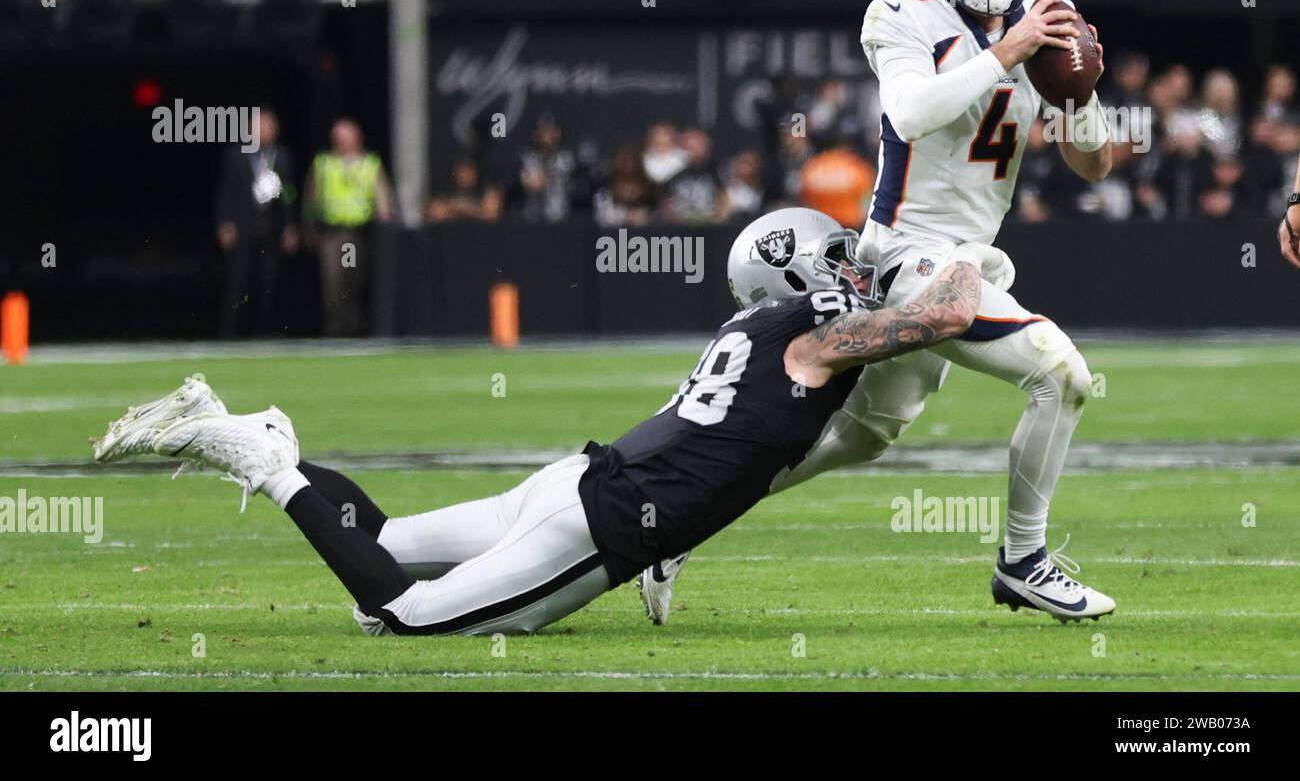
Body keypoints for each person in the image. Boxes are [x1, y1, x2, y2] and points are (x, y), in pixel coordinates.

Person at [92, 209, 998, 636]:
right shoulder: (814, 341)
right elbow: (946, 317)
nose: (852, 271)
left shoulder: (748, 330)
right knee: (398, 615)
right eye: (835, 258)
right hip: (597, 523)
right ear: (796, 279)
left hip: (577, 481)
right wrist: (965, 246)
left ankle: (269, 441)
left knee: (386, 538)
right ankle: (260, 457)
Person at [643, 0, 1117, 625]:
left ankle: (671, 522)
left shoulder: (1039, 22)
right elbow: (912, 109)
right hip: (906, 257)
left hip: (966, 256)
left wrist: (1080, 94)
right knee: (1061, 373)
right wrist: (1012, 51)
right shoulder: (903, 14)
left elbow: (1095, 168)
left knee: (855, 437)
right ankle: (1024, 562)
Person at [302, 119, 395, 337]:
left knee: (351, 279)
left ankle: (352, 326)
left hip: (355, 236)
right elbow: (310, 200)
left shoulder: (368, 164)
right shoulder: (324, 164)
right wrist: (309, 231)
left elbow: (382, 196)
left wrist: (384, 213)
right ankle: (336, 327)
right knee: (332, 282)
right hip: (331, 234)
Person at [214, 107, 299, 338]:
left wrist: (291, 226)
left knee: (268, 283)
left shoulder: (282, 157)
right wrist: (224, 223)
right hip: (242, 228)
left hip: (271, 228)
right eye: (259, 127)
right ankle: (230, 333)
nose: (264, 132)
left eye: (268, 127)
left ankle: (263, 333)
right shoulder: (236, 155)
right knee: (238, 282)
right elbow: (226, 191)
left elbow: (289, 193)